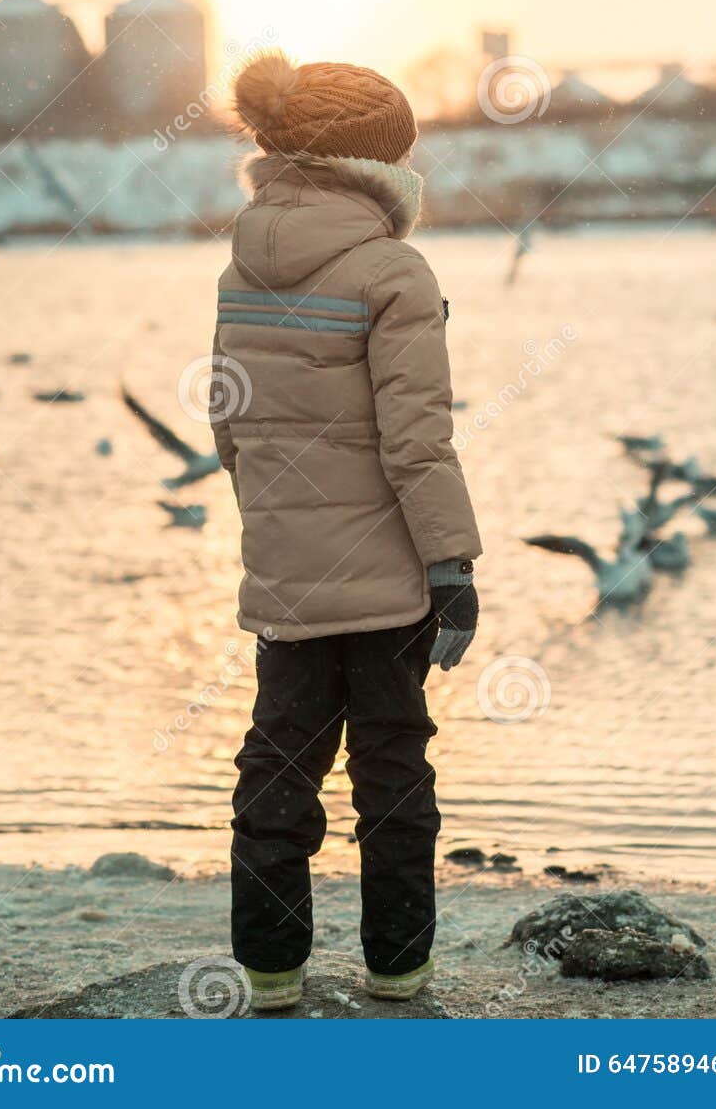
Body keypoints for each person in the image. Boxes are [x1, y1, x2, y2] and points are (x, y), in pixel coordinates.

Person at [208, 50, 482, 1010]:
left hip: (284, 583)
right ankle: (397, 974)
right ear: (380, 164)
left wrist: (285, 532)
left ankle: (272, 975)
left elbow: (227, 427)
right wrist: (451, 565)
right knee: (393, 774)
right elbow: (418, 443)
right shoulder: (392, 269)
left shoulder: (240, 266)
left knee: (277, 771)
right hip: (387, 586)